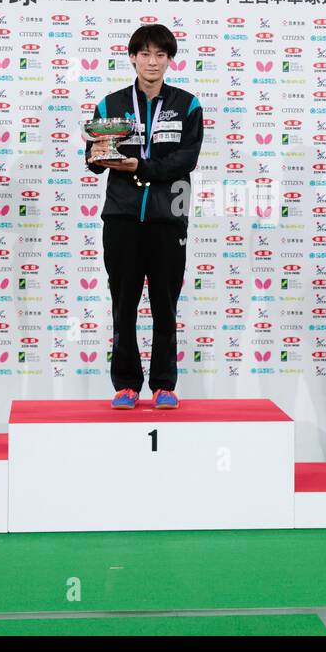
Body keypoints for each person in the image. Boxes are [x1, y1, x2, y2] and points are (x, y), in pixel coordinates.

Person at [86, 24, 203, 410]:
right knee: (123, 303)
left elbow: (185, 160)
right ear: (132, 58)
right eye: (145, 54)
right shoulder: (110, 105)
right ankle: (126, 384)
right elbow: (95, 160)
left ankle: (164, 384)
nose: (152, 62)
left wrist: (141, 166)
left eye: (160, 55)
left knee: (165, 304)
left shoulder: (188, 105)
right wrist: (97, 155)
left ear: (170, 60)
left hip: (168, 217)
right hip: (121, 216)